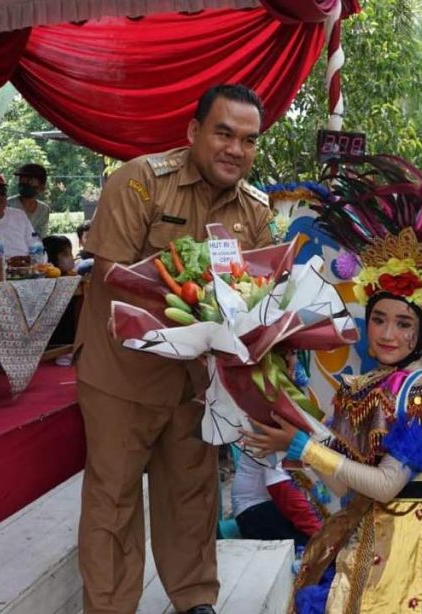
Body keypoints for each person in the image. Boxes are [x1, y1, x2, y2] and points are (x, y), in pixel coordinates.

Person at [240, 153, 422, 613]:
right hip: (366, 532)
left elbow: (385, 485)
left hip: (417, 544)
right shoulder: (358, 389)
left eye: (403, 324)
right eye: (379, 319)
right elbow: (345, 488)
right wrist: (295, 428)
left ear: (421, 332)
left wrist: (305, 447)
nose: (387, 333)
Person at [74, 83, 275, 614]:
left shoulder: (254, 208)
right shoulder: (140, 181)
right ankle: (112, 606)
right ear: (194, 132)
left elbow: (252, 292)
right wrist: (195, 294)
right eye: (224, 133)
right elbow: (110, 270)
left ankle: (194, 599)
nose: (235, 149)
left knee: (192, 490)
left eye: (248, 140)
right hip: (123, 373)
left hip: (195, 380)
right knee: (113, 494)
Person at [231, 455, 322, 547]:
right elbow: (286, 494)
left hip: (267, 503)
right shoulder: (269, 445)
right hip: (253, 510)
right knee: (315, 548)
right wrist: (320, 534)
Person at [8, 163, 51, 238]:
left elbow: (41, 237)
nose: (24, 183)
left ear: (41, 187)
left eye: (29, 180)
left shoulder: (44, 210)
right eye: (21, 180)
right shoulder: (7, 205)